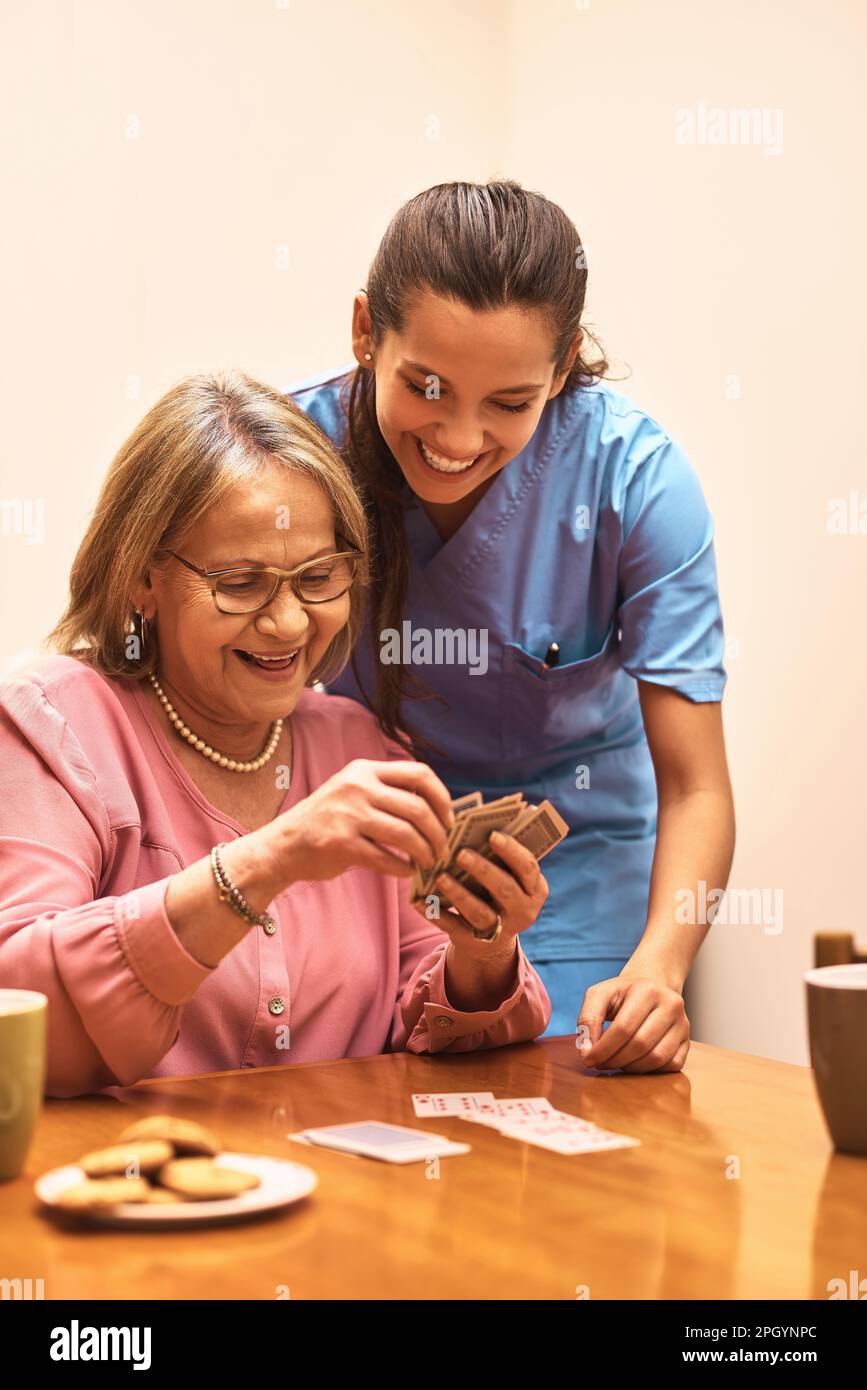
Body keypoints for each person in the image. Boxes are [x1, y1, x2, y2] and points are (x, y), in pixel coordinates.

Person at [0, 371, 551, 1099]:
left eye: (317, 577)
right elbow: (18, 1013)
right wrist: (271, 859)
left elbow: (426, 1017)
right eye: (239, 583)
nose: (289, 623)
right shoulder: (52, 724)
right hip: (134, 1195)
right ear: (142, 579)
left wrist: (481, 949)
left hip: (339, 1193)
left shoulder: (359, 747)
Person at [288, 178, 736, 1071]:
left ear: (563, 366)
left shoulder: (636, 486)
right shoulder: (292, 462)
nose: (457, 436)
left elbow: (696, 787)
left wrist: (657, 969)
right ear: (363, 331)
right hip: (348, 879)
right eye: (426, 386)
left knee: (551, 1124)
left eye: (509, 402)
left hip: (570, 895)